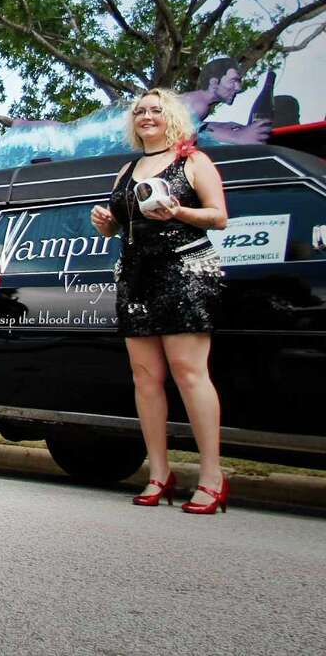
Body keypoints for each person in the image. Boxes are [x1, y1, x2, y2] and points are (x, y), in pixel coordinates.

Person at [89, 88, 230, 513]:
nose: (146, 116)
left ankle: (212, 477)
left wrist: (178, 212)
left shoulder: (193, 161)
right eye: (140, 111)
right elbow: (117, 226)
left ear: (171, 117)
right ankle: (159, 474)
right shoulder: (126, 170)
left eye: (155, 110)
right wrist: (105, 222)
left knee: (189, 373)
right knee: (145, 378)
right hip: (136, 276)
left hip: (184, 271)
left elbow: (219, 216)